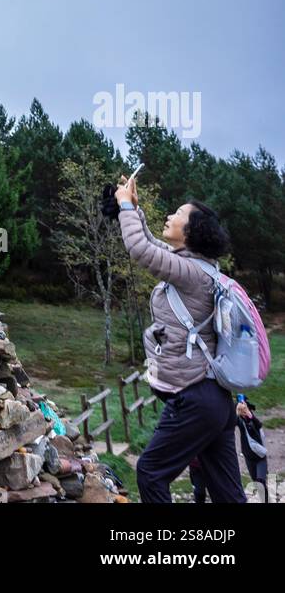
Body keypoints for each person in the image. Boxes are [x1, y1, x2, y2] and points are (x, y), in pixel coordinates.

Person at [115, 174, 246, 504]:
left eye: (178, 214)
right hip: (214, 399)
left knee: (149, 472)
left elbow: (140, 249)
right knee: (228, 494)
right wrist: (136, 210)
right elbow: (152, 245)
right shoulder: (197, 268)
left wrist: (125, 206)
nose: (170, 216)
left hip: (195, 399)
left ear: (191, 232)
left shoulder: (191, 274)